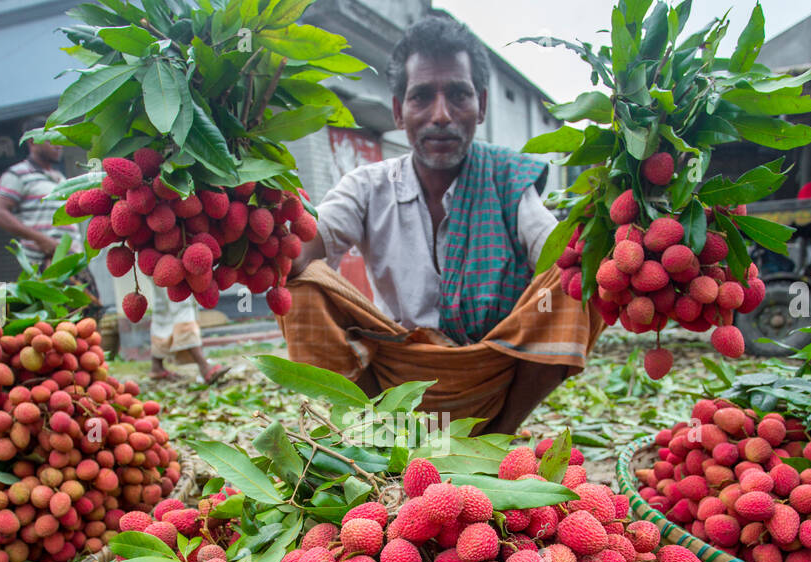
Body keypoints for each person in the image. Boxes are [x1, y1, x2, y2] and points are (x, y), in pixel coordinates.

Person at [282, 13, 602, 434]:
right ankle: (373, 429)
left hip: (490, 374)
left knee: (576, 278)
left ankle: (496, 439)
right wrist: (249, 220)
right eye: (421, 97)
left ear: (481, 106)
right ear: (399, 111)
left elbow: (554, 250)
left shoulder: (506, 179)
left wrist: (628, 230)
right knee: (299, 286)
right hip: (396, 377)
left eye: (458, 95)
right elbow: (302, 249)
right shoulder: (369, 186)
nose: (441, 115)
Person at [0, 116, 82, 265]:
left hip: (73, 260)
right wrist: (41, 240)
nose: (59, 146)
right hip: (44, 265)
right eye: (51, 139)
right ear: (32, 141)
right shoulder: (18, 174)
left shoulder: (60, 178)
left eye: (60, 140)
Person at [108, 272, 227, 385]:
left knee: (163, 307)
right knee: (181, 302)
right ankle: (204, 366)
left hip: (153, 258)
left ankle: (157, 366)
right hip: (164, 257)